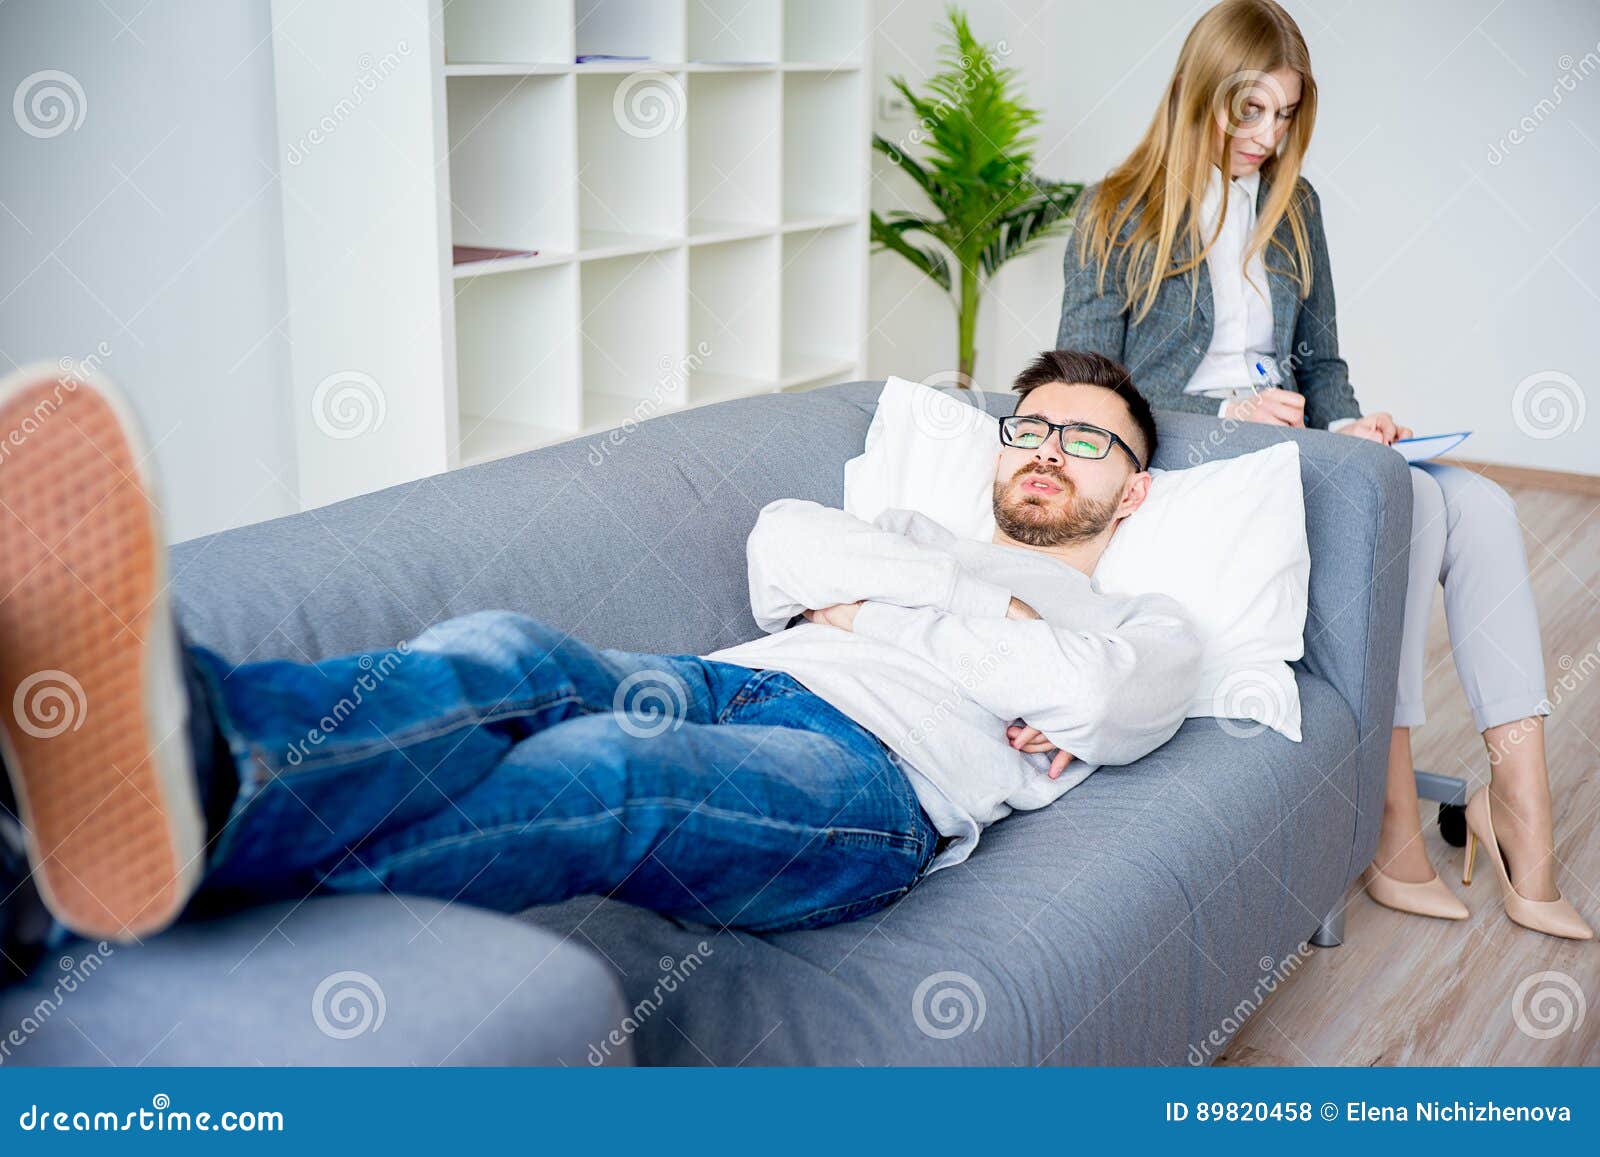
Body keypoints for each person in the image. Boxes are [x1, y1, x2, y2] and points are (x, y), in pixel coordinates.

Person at [0, 349, 1202, 987]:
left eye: (1084, 439)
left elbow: (1096, 695)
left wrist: (881, 615)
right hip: (732, 674)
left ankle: (82, 854)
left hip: (874, 784)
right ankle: (179, 761)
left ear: (1131, 486)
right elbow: (781, 541)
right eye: (1029, 426)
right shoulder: (918, 541)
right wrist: (968, 609)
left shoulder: (1141, 617)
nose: (1046, 450)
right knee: (500, 651)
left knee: (608, 768)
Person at [1055, 0, 1590, 938]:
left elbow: (1323, 362)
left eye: (1286, 114)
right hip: (1196, 457)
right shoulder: (1117, 213)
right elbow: (1084, 393)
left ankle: (1524, 812)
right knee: (1414, 506)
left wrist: (1352, 420)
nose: (1267, 136)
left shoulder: (1296, 208)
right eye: (1248, 110)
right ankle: (1390, 827)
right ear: (1197, 95)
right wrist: (1226, 411)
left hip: (1298, 441)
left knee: (1488, 506)